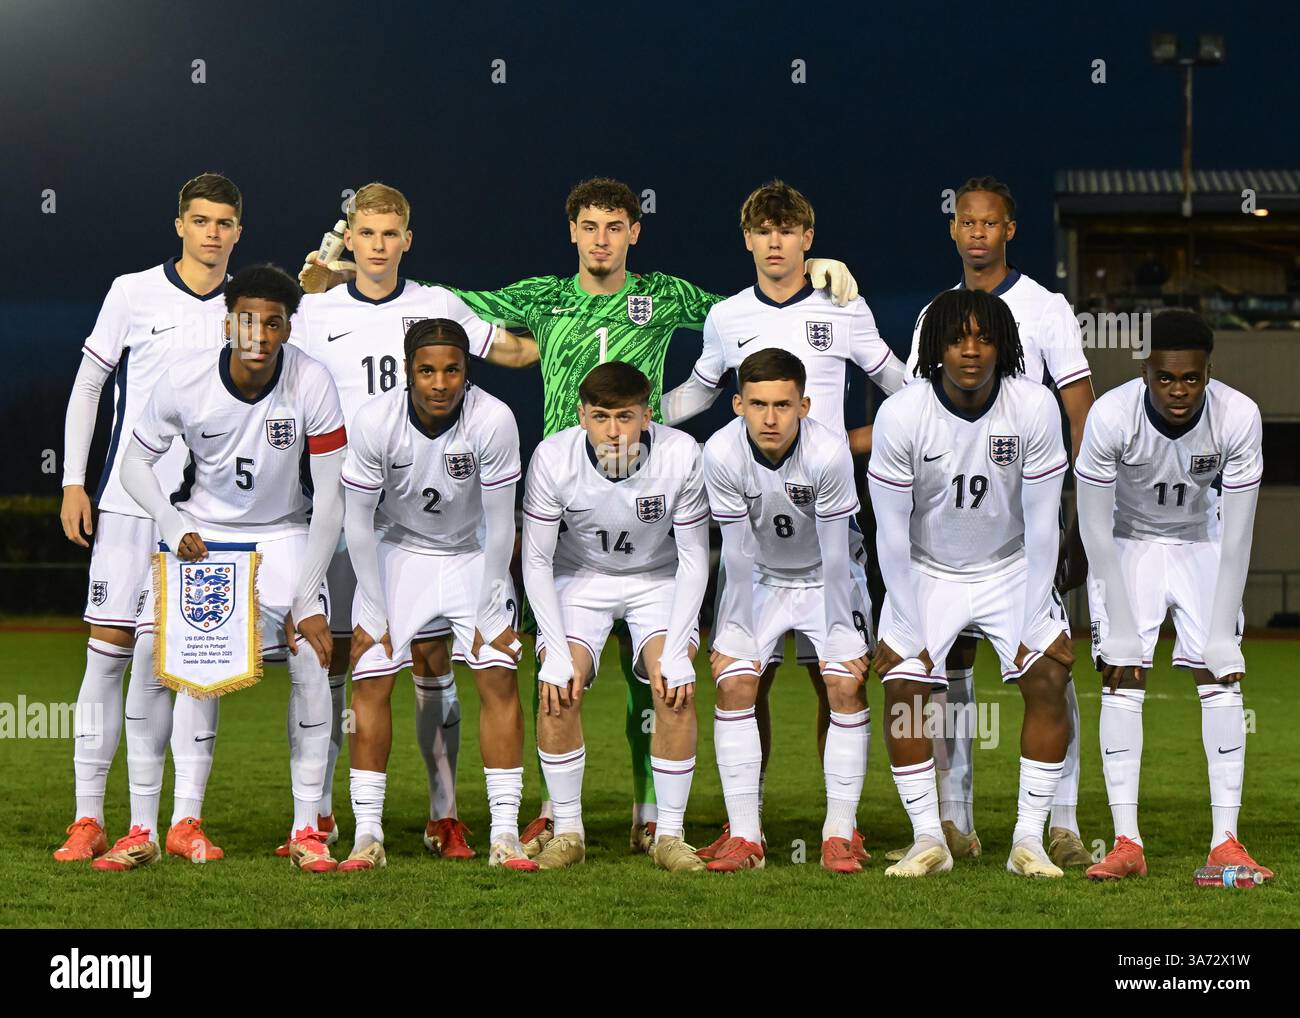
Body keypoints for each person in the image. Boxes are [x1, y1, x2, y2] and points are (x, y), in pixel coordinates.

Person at [290, 181, 536, 859]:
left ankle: (450, 815)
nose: (377, 245)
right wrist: (304, 283)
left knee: (440, 667)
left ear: (406, 239)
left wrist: (577, 331)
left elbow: (516, 351)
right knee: (342, 662)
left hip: (443, 521)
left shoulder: (439, 308)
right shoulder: (314, 307)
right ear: (349, 236)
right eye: (364, 233)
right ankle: (327, 820)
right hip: (349, 504)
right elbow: (265, 346)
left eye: (389, 233)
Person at [664, 180, 904, 861]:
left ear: (807, 238)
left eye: (788, 230)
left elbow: (899, 388)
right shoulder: (726, 316)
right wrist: (635, 417)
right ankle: (750, 825)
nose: (774, 242)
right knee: (747, 679)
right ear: (747, 240)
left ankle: (842, 828)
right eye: (763, 231)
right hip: (756, 518)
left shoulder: (843, 305)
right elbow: (699, 393)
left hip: (828, 505)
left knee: (839, 681)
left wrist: (873, 439)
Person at [102, 265, 346, 873]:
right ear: (226, 320)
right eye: (247, 319)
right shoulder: (186, 380)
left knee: (315, 656)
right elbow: (134, 465)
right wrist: (169, 520)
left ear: (290, 326)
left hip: (286, 534)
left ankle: (306, 828)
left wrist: (310, 595)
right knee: (155, 656)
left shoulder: (312, 381)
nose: (259, 333)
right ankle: (146, 828)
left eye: (273, 321)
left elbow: (333, 497)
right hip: (203, 536)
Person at [895, 176, 1095, 868]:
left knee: (1052, 669)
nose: (978, 232)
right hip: (947, 529)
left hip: (1026, 520)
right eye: (966, 222)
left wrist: (1081, 503)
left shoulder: (1045, 308)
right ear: (953, 229)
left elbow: (1077, 402)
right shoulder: (933, 316)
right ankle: (954, 821)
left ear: (1010, 230)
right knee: (946, 670)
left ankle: (1059, 822)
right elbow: (922, 413)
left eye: (991, 223)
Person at [55, 173, 242, 864]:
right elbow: (89, 383)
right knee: (105, 660)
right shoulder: (132, 291)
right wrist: (75, 480)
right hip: (128, 505)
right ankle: (87, 819)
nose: (212, 233)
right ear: (180, 225)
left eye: (224, 222)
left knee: (195, 664)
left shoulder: (246, 306)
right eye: (200, 220)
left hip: (206, 516)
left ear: (238, 233)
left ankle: (184, 821)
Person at [870, 288, 1073, 878]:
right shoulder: (902, 414)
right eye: (958, 338)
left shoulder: (1032, 406)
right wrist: (907, 619)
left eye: (985, 338)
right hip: (926, 568)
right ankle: (928, 838)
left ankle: (1028, 841)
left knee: (1048, 675)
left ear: (1004, 346)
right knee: (905, 691)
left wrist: (1036, 616)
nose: (972, 350)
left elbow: (1042, 523)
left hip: (1011, 565)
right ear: (935, 347)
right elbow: (888, 530)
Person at [1077, 310, 1271, 881]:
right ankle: (1126, 842)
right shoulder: (1111, 416)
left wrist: (1217, 632)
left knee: (1221, 674)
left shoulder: (1239, 416)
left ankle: (1226, 841)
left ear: (1209, 371)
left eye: (1191, 378)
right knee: (1122, 674)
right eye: (1165, 378)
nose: (1178, 390)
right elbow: (1093, 523)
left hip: (1202, 542)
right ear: (1145, 371)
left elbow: (1237, 533)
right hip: (1127, 544)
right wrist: (1113, 624)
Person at [341, 318, 532, 871]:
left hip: (473, 554)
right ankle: (367, 836)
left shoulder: (493, 419)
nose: (440, 382)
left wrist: (493, 601)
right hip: (399, 552)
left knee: (496, 671)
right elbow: (357, 521)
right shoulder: (377, 421)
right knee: (372, 670)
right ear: (407, 372)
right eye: (427, 370)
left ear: (466, 371)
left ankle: (505, 835)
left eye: (452, 369)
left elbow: (502, 525)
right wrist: (373, 606)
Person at [522, 362, 711, 871]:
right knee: (558, 688)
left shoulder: (681, 455)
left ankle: (669, 834)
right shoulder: (552, 458)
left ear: (647, 416)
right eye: (601, 416)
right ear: (581, 415)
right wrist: (557, 654)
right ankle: (568, 831)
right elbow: (536, 560)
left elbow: (695, 557)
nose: (613, 430)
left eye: (625, 416)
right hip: (580, 578)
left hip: (657, 578)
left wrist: (675, 652)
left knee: (673, 684)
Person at [703, 348, 870, 874]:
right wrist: (731, 631)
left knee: (844, 683)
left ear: (805, 404)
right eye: (757, 404)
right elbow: (734, 552)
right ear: (737, 405)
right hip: (758, 577)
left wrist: (843, 633)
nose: (770, 418)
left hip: (826, 575)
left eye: (782, 404)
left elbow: (840, 550)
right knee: (735, 683)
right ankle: (746, 838)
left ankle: (840, 835)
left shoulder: (828, 452)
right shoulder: (721, 453)